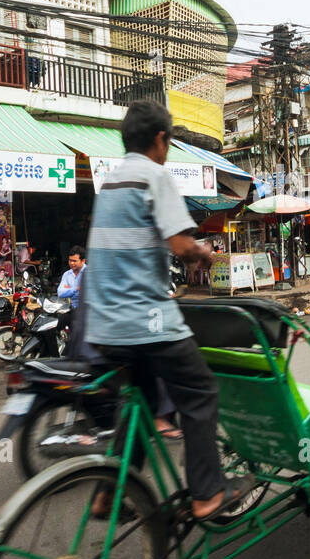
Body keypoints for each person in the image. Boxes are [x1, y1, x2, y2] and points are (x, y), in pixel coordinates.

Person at [82, 101, 253, 522]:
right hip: (146, 320)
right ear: (161, 139)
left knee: (135, 401)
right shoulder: (155, 176)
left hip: (104, 325)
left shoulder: (110, 181)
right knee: (199, 393)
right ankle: (207, 494)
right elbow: (180, 245)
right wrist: (205, 253)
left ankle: (109, 491)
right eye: (170, 142)